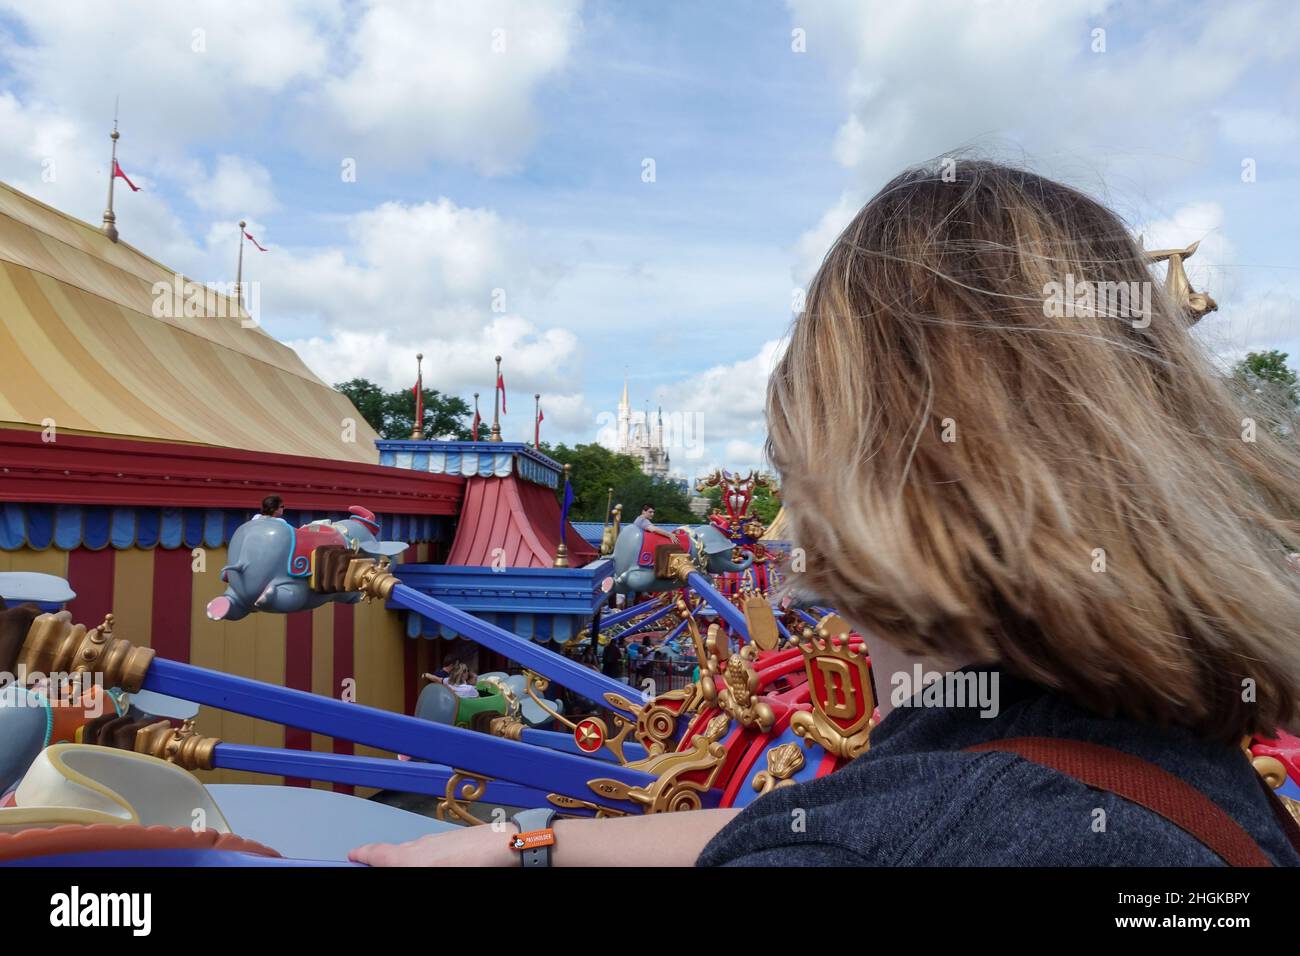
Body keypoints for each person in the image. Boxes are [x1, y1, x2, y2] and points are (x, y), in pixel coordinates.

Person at [351, 158, 1300, 867]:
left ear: (865, 474)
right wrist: (530, 846)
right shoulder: (1192, 775)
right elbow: (878, 809)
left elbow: (882, 831)